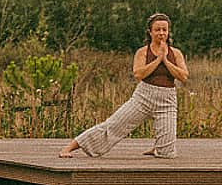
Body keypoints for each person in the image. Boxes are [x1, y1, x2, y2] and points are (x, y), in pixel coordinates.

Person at [59, 13, 188, 158]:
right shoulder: (142, 52)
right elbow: (139, 74)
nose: (161, 33)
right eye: (157, 30)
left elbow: (183, 76)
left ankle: (158, 148)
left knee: (168, 154)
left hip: (167, 100)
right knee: (113, 126)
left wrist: (166, 59)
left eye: (164, 30)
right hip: (143, 97)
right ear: (150, 32)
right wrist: (158, 59)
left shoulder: (176, 53)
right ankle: (69, 148)